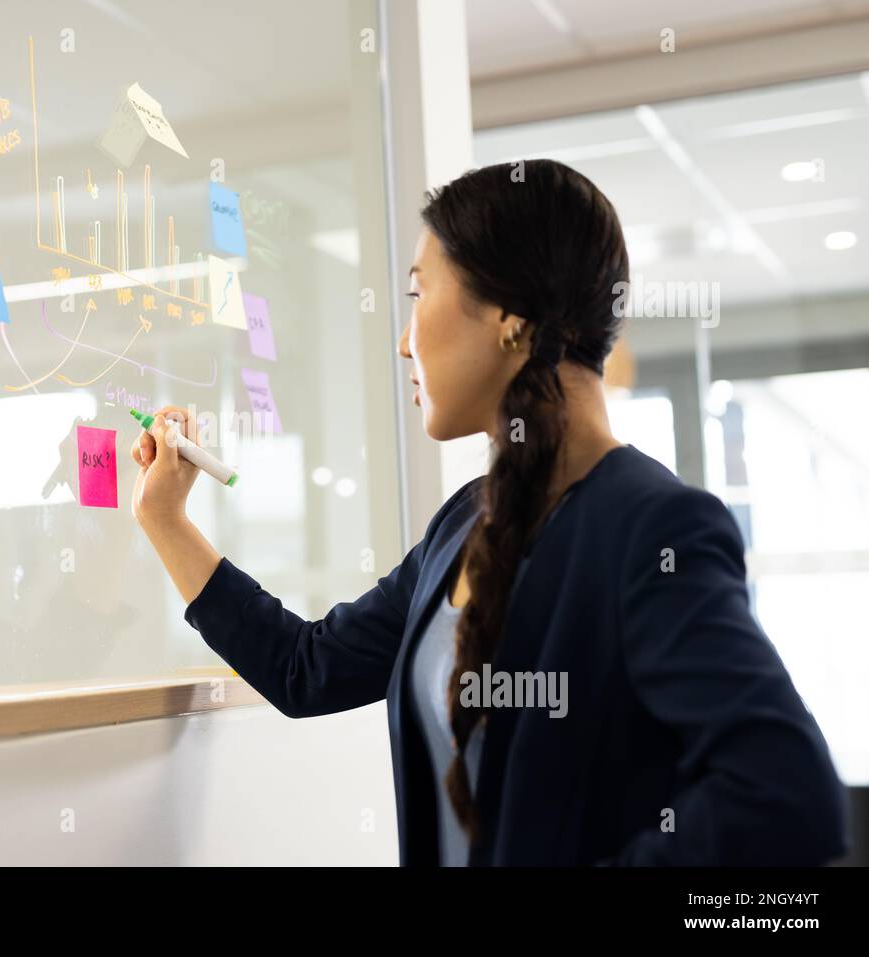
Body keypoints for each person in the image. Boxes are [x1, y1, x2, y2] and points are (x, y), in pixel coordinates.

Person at [129, 159, 849, 866]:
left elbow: (787, 796)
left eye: (418, 294)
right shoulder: (461, 527)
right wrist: (166, 519)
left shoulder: (649, 527)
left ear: (509, 318)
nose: (404, 340)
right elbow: (305, 669)